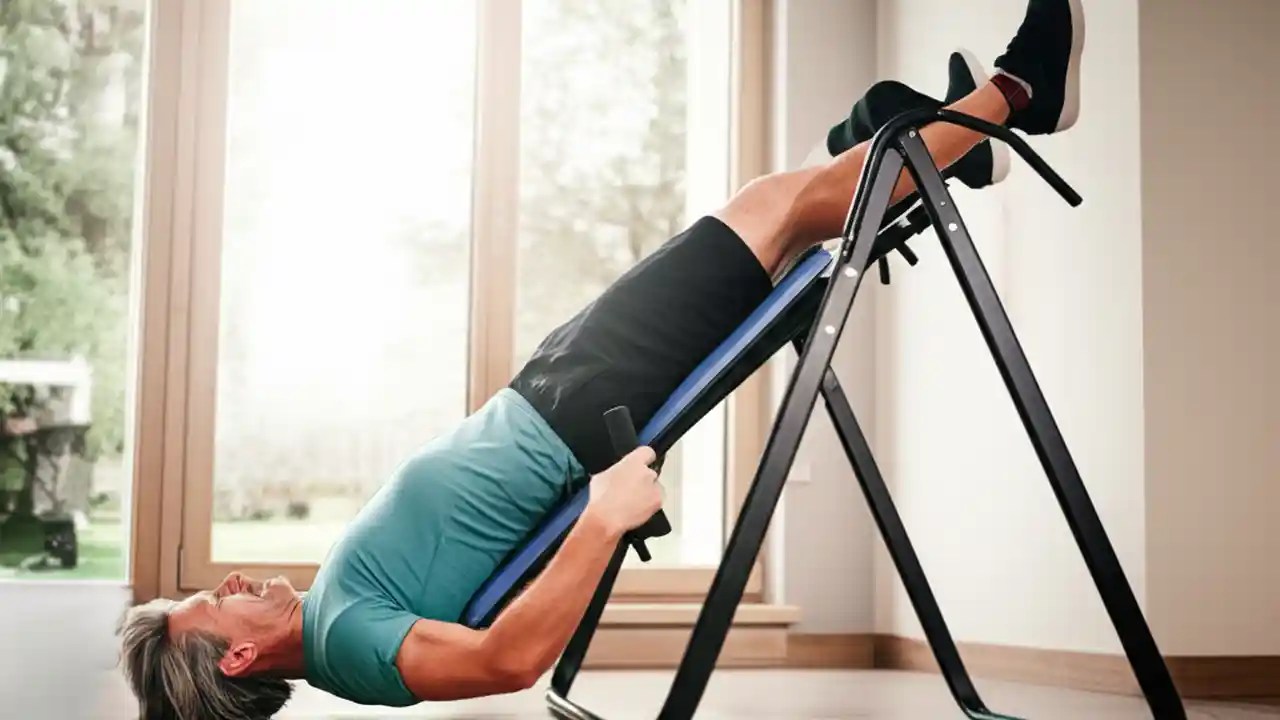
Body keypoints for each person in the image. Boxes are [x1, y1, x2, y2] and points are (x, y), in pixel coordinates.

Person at [119, 0, 1084, 716]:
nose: (231, 585)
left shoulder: (332, 620)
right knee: (775, 209)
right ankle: (1011, 95)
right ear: (237, 660)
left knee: (777, 216)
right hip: (580, 406)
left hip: (559, 388)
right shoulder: (349, 646)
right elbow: (505, 661)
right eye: (213, 604)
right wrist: (604, 513)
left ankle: (910, 138)